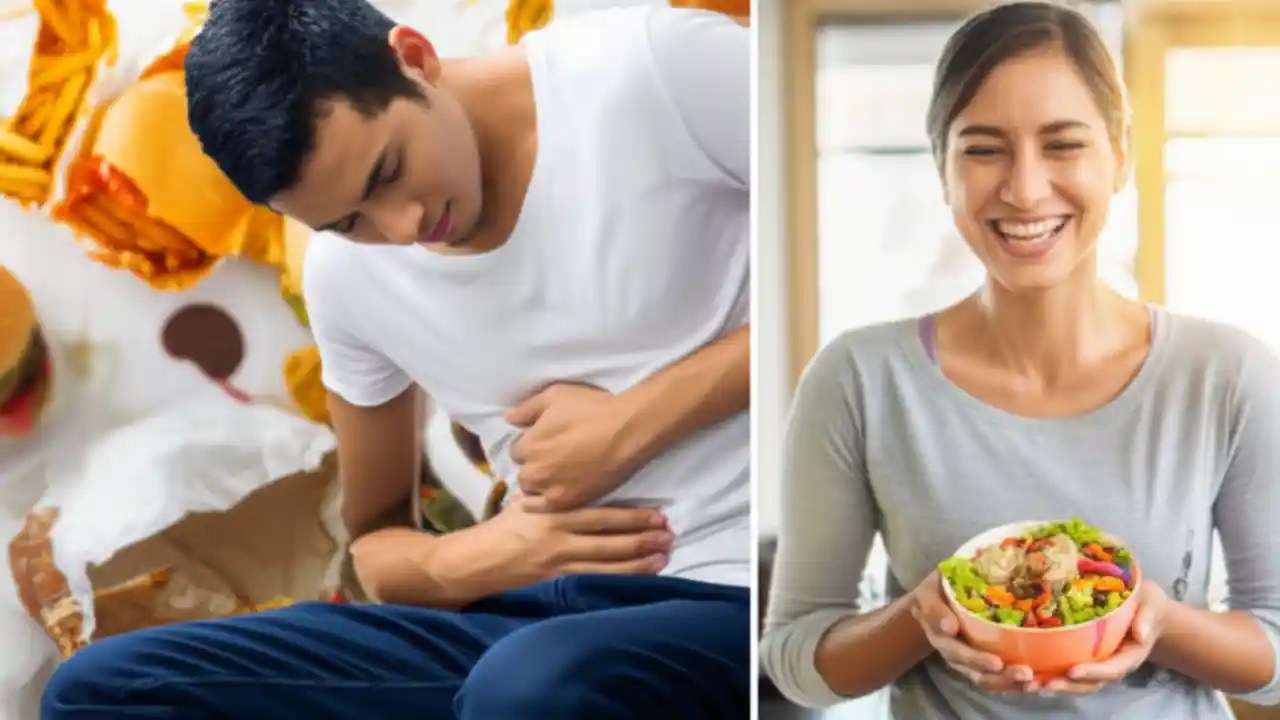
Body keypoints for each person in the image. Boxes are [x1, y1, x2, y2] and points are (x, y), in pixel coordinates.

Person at [40, 1, 750, 718]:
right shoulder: (344, 277)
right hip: (530, 620)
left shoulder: (653, 70)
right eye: (347, 221)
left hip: (738, 589)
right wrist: (499, 553)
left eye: (388, 171)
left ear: (414, 56)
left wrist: (634, 422)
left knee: (530, 686)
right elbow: (379, 544)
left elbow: (865, 283)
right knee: (101, 691)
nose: (403, 228)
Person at [760, 3, 1280, 719]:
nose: (1026, 189)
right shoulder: (857, 380)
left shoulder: (1228, 375)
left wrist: (1157, 623)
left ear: (1120, 154)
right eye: (983, 149)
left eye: (1063, 144)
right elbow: (796, 663)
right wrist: (924, 619)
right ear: (942, 168)